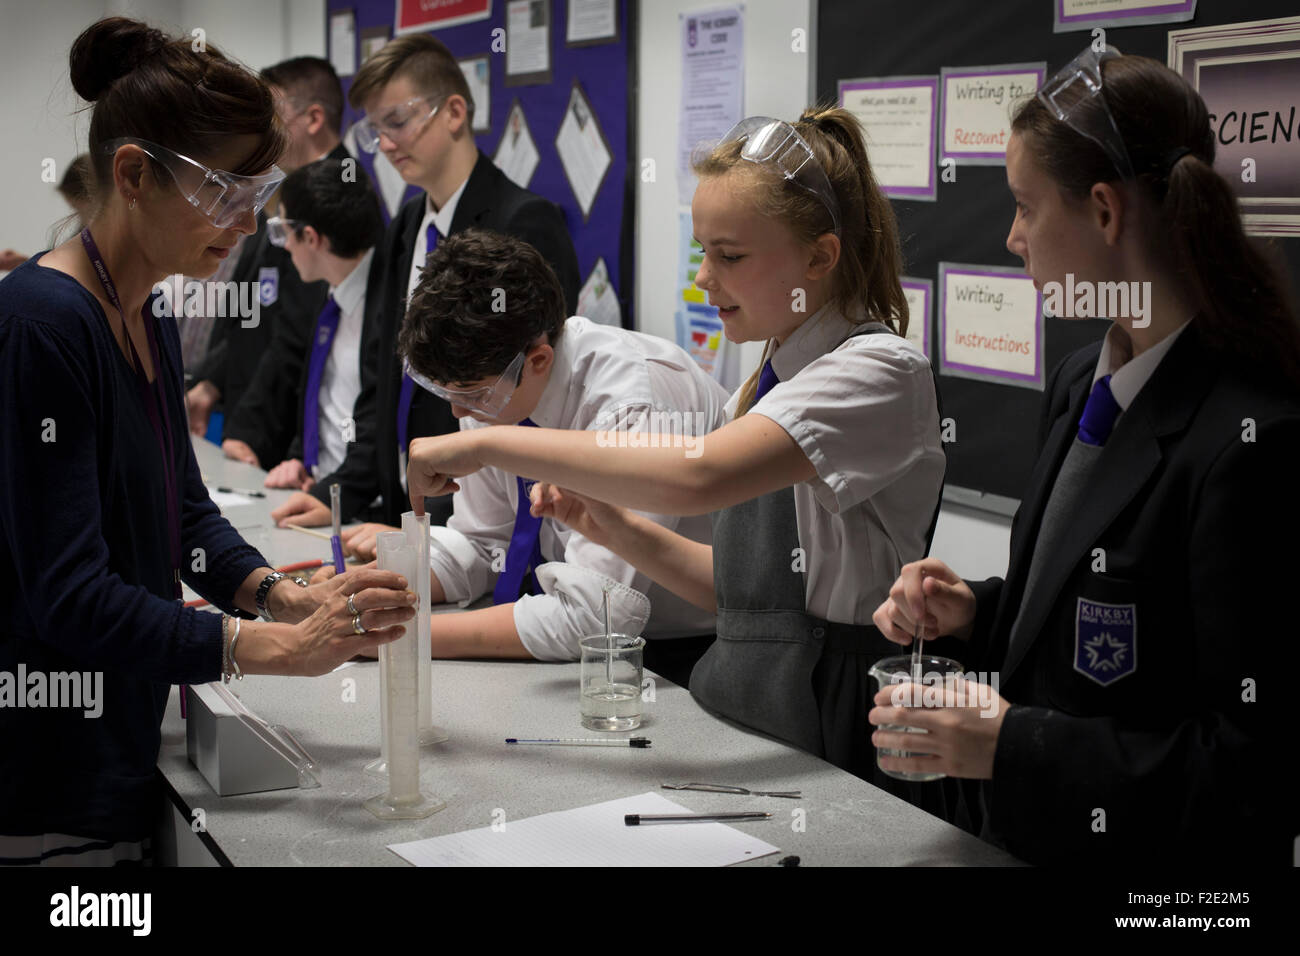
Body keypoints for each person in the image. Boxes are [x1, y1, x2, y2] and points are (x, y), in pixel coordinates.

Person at [404, 108, 946, 795]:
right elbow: (743, 594)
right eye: (703, 254)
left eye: (731, 256)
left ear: (820, 257)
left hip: (839, 700)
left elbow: (699, 477)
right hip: (753, 689)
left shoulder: (878, 372)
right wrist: (611, 526)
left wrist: (486, 442)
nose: (704, 283)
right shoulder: (765, 378)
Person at [868, 49, 1300, 865]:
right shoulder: (1080, 381)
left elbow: (1254, 772)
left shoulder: (1251, 444)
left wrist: (1013, 744)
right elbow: (1102, 628)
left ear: (1104, 212)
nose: (1012, 238)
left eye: (1026, 208)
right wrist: (981, 613)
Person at [0, 17, 413, 866]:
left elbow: (183, 515)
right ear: (133, 174)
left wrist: (278, 595)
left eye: (257, 198)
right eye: (224, 193)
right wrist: (261, 649)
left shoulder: (141, 306)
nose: (246, 222)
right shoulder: (43, 325)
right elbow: (69, 595)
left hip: (115, 747)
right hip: (45, 776)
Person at [318, 229, 726, 678]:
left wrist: (402, 638)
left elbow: (595, 617)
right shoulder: (491, 383)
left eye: (471, 395)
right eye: (445, 392)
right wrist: (382, 591)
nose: (458, 411)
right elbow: (484, 541)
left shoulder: (634, 404)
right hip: (571, 641)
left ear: (538, 361)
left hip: (684, 656)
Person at [271, 33, 580, 547]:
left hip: (490, 525)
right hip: (405, 508)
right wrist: (339, 491)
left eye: (397, 122)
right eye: (375, 131)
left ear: (454, 112)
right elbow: (382, 375)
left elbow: (528, 398)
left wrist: (432, 527)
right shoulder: (408, 224)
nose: (387, 144)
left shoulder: (524, 220)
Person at [185, 56, 352, 468]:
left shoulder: (341, 197)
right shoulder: (286, 191)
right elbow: (250, 306)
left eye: (273, 118)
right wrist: (211, 380)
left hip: (288, 430)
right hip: (253, 409)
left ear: (313, 118)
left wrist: (254, 433)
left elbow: (303, 334)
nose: (263, 134)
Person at [261, 160, 385, 493]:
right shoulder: (328, 292)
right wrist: (300, 459)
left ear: (311, 237)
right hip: (320, 484)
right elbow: (324, 398)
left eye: (284, 231)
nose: (285, 245)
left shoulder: (387, 312)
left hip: (362, 506)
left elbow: (376, 429)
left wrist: (328, 499)